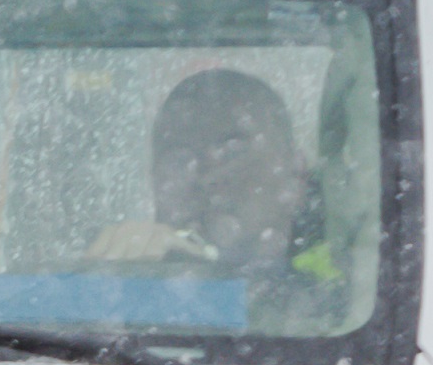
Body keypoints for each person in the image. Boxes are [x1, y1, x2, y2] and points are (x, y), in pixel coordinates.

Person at [86, 67, 338, 325]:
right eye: (180, 157)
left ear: (296, 176)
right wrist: (111, 281)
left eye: (233, 150)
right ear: (154, 183)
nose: (206, 176)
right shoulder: (128, 289)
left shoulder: (344, 302)